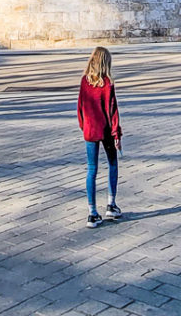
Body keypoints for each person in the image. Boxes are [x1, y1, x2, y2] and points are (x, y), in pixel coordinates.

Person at [77, 46, 123, 228]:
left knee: (91, 169)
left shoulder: (84, 82)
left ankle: (92, 212)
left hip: (89, 130)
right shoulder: (107, 83)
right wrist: (116, 134)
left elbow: (80, 107)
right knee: (112, 164)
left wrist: (84, 126)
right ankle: (111, 204)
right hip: (105, 131)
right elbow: (113, 111)